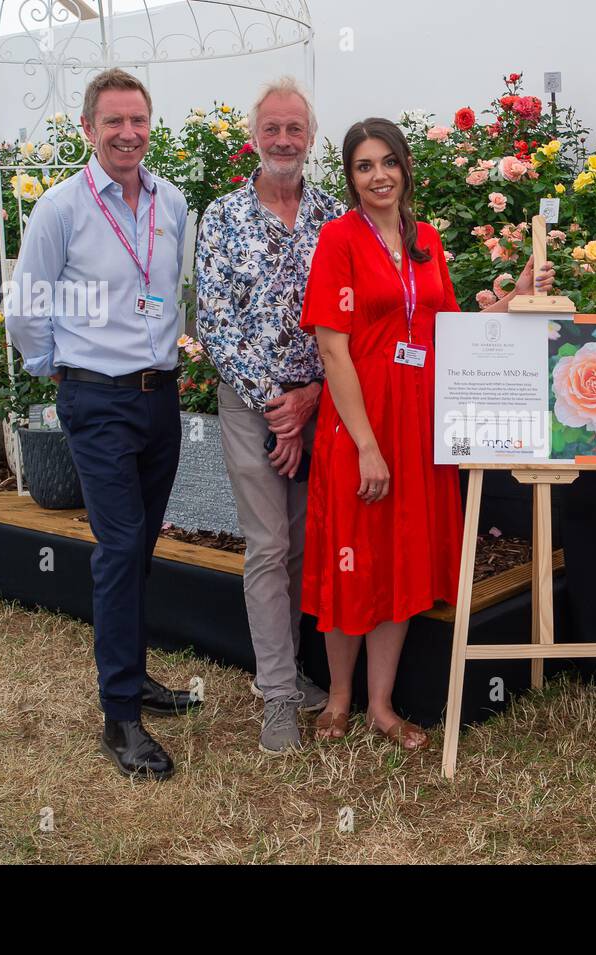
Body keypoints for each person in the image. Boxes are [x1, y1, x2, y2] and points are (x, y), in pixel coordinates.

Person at [299, 118, 552, 749]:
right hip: (361, 423)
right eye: (364, 166)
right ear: (351, 177)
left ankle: (381, 706)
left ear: (406, 167)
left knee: (401, 561)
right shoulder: (338, 239)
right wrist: (366, 446)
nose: (379, 176)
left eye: (388, 162)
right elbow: (332, 349)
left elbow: (451, 330)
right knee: (352, 558)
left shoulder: (426, 239)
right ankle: (339, 698)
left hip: (420, 426)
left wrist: (516, 296)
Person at [5, 68, 196, 781]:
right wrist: (56, 368)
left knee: (139, 546)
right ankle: (119, 717)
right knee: (118, 549)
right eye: (113, 121)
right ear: (88, 129)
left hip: (159, 398)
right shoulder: (61, 207)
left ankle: (133, 675)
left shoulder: (171, 201)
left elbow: (172, 289)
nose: (127, 133)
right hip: (97, 400)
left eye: (137, 120)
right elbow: (27, 306)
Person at [195, 78, 343, 754]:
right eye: (272, 128)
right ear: (254, 136)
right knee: (268, 546)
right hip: (251, 403)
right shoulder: (223, 216)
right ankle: (278, 695)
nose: (284, 140)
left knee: (305, 544)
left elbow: (350, 315)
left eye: (295, 128)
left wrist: (309, 397)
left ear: (310, 137)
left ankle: (295, 672)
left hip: (323, 403)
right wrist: (275, 408)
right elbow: (214, 322)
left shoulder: (335, 218)